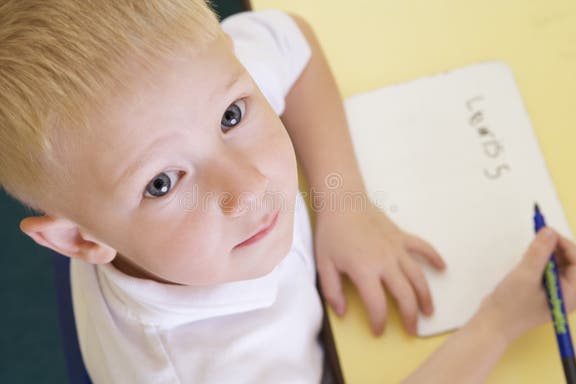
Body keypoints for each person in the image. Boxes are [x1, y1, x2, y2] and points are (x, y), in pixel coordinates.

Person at [1, 0, 574, 383]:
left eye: (231, 116)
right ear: (78, 238)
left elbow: (289, 38)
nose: (251, 188)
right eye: (161, 183)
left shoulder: (175, 81)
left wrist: (340, 201)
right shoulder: (213, 367)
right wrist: (498, 322)